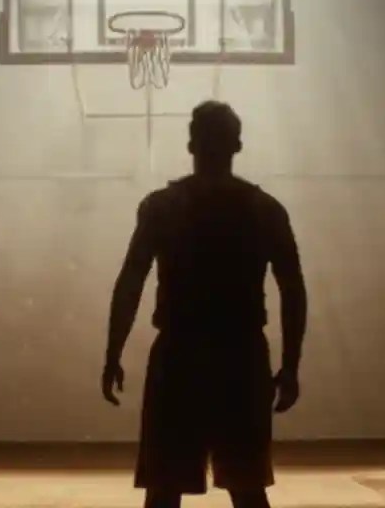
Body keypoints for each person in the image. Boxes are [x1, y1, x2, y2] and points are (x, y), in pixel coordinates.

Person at [102, 101, 307, 508]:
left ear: (191, 144)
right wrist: (290, 366)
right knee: (248, 488)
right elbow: (293, 291)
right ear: (238, 145)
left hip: (180, 355)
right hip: (240, 356)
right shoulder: (264, 210)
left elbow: (131, 281)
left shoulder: (163, 208)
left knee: (164, 489)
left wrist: (113, 353)